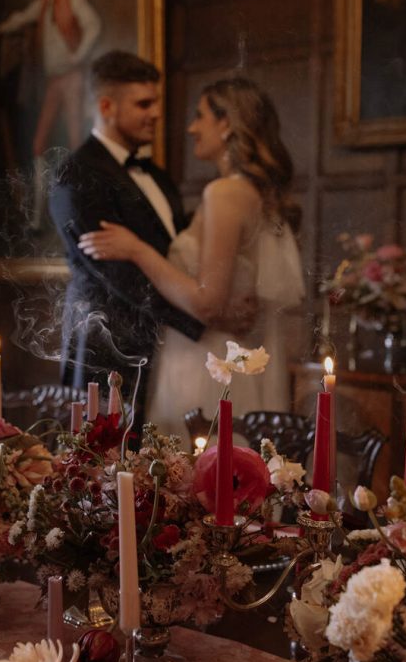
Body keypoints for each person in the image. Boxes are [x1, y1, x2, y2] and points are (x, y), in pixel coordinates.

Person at [78, 76, 306, 441]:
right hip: (223, 356)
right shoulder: (254, 191)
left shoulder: (225, 192)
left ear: (227, 123)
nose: (191, 127)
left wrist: (137, 249)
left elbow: (207, 302)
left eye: (200, 116)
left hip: (205, 366)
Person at [48, 50, 205, 420]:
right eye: (143, 104)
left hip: (165, 345)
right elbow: (117, 275)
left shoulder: (161, 178)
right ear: (107, 106)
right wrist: (197, 320)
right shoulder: (76, 174)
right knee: (106, 464)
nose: (156, 113)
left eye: (156, 102)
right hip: (106, 346)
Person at [0, 0, 101, 228]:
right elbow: (21, 18)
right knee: (39, 143)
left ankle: (83, 212)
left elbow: (93, 25)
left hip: (73, 78)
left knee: (76, 140)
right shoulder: (44, 1)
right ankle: (37, 217)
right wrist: (0, 29)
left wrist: (77, 56)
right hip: (54, 80)